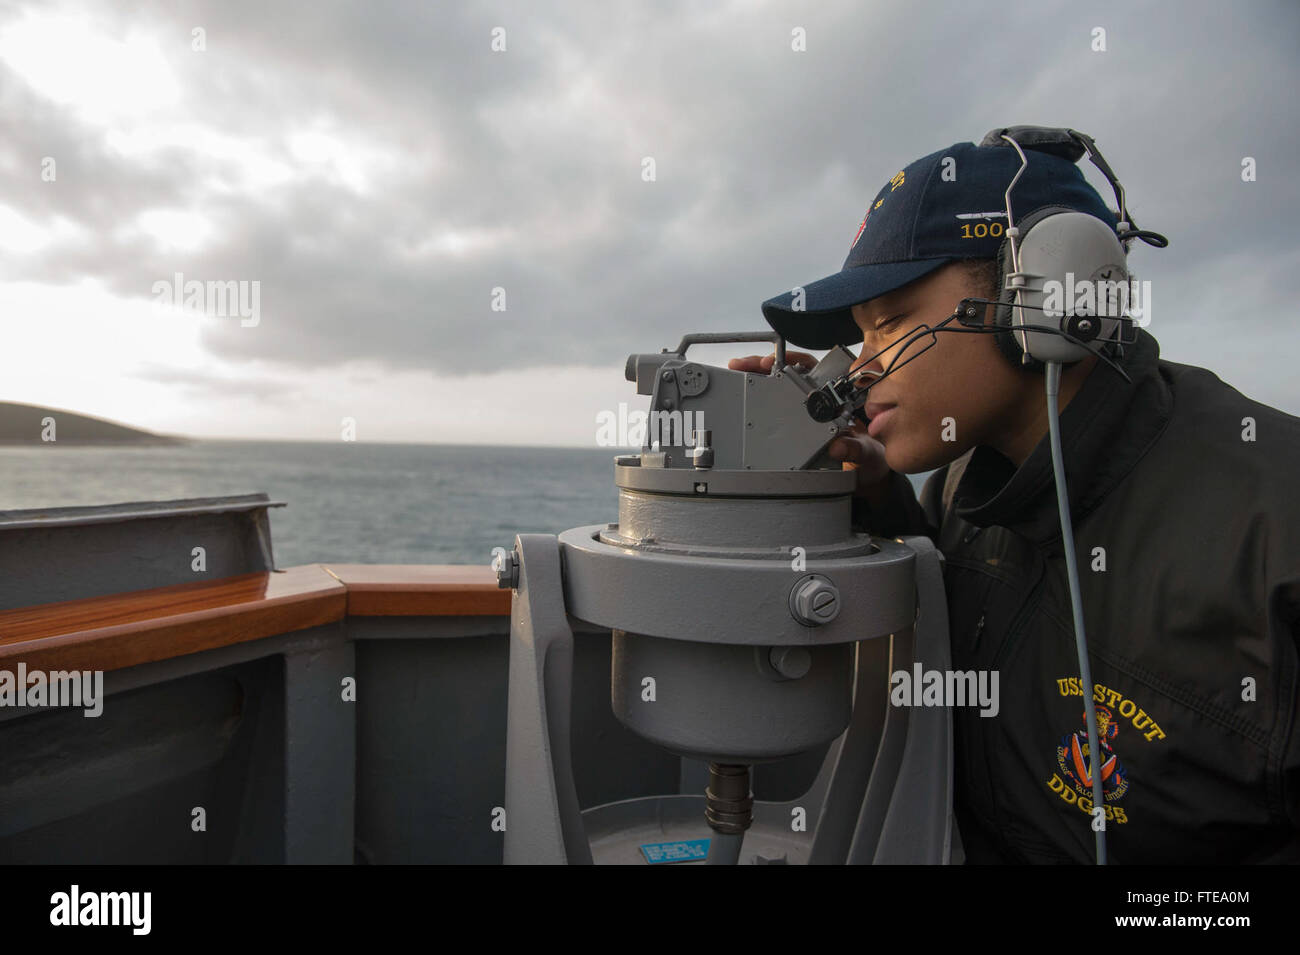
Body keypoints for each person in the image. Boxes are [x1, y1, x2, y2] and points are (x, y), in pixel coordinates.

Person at [731, 130, 1300, 864]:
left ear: (1048, 292)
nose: (860, 369)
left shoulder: (1273, 516)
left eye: (892, 321)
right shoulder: (968, 478)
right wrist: (872, 497)